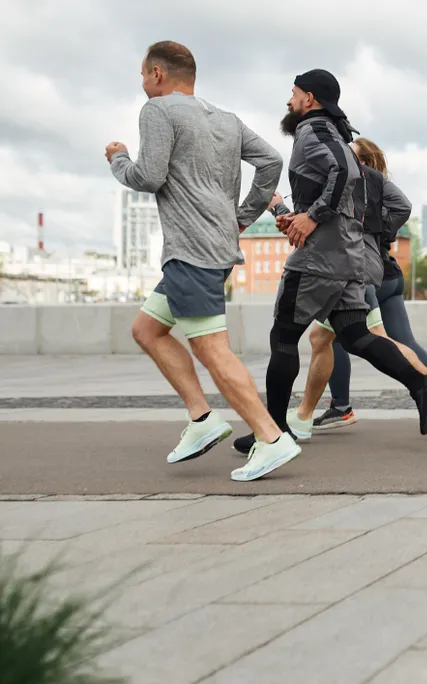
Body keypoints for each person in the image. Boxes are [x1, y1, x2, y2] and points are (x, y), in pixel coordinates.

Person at [232, 69, 427, 454]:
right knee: (356, 335)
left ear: (310, 98)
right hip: (345, 258)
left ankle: (270, 435)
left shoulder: (314, 129)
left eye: (293, 94)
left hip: (318, 261)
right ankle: (424, 385)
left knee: (284, 338)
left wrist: (314, 216)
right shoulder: (332, 131)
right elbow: (343, 183)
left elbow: (347, 169)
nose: (288, 102)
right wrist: (301, 213)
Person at [106, 40, 300, 482]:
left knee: (211, 348)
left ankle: (271, 438)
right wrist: (243, 217)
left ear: (157, 74)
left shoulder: (157, 111)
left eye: (143, 75)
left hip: (191, 250)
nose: (142, 83)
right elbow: (271, 160)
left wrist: (118, 159)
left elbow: (148, 175)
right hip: (212, 247)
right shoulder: (225, 119)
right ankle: (202, 419)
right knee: (147, 329)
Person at [298, 137, 427, 431]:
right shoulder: (376, 190)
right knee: (395, 340)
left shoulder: (355, 189)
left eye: (351, 156)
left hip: (365, 277)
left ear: (362, 163)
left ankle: (339, 407)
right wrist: (380, 229)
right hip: (390, 275)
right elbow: (400, 210)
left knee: (342, 338)